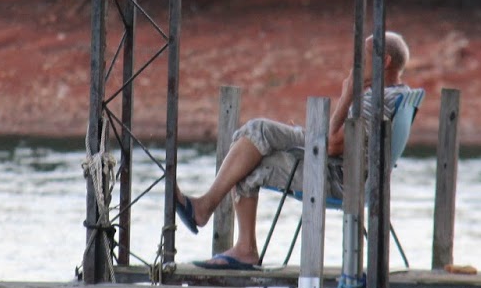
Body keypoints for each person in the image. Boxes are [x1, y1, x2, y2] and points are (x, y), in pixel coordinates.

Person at [175, 31, 412, 269]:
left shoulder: (378, 101)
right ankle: (213, 216)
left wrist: (347, 95)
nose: (357, 62)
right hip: (351, 171)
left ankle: (232, 236)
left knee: (250, 161)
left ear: (385, 61)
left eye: (364, 55)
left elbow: (331, 145)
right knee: (256, 133)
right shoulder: (399, 95)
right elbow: (342, 141)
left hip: (340, 179)